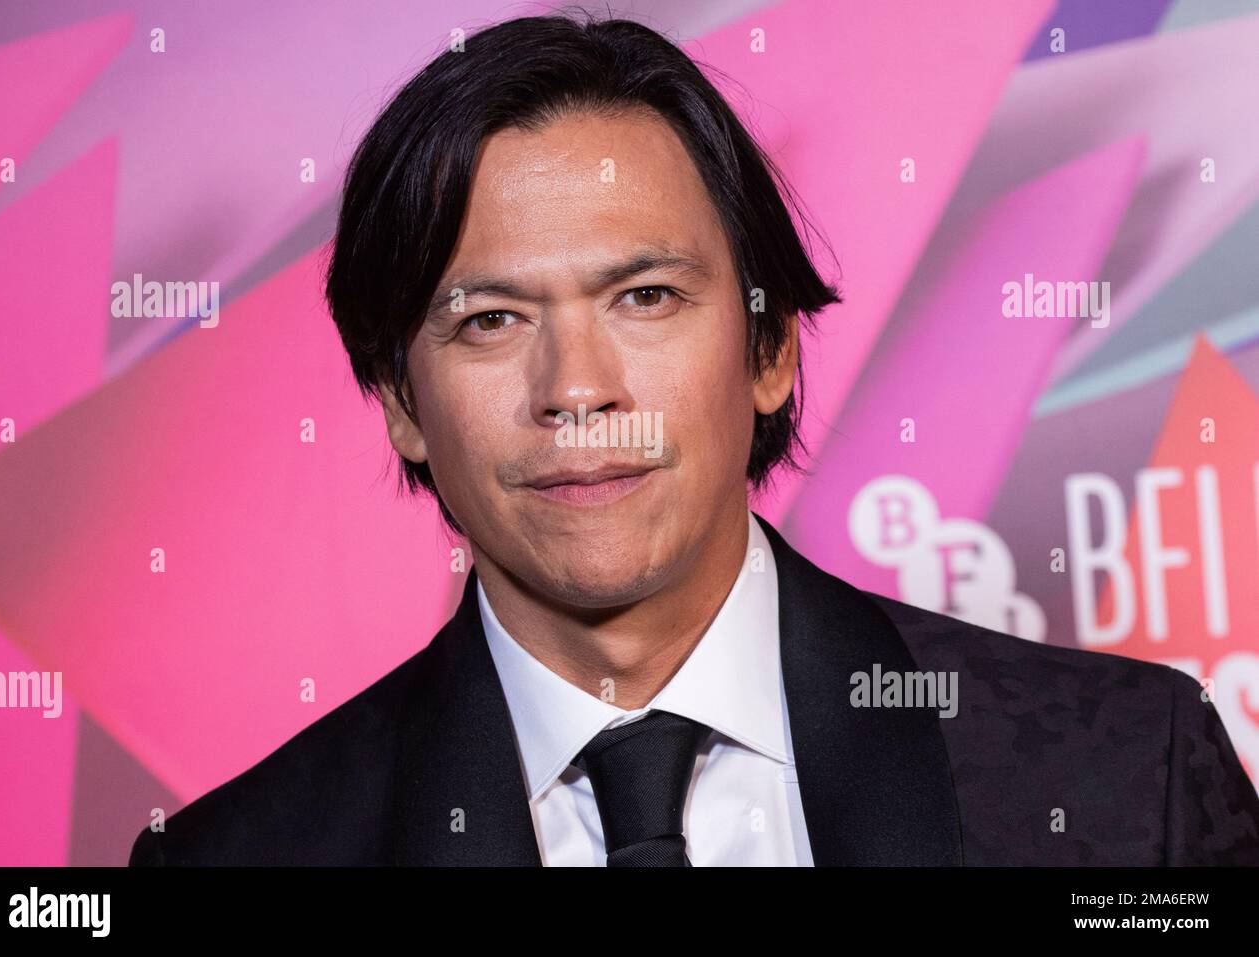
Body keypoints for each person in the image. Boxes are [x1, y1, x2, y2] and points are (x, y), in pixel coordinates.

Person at [128, 11, 1259, 867]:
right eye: (490, 321)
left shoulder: (1118, 778)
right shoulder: (245, 856)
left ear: (772, 353)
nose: (576, 387)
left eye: (646, 298)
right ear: (400, 405)